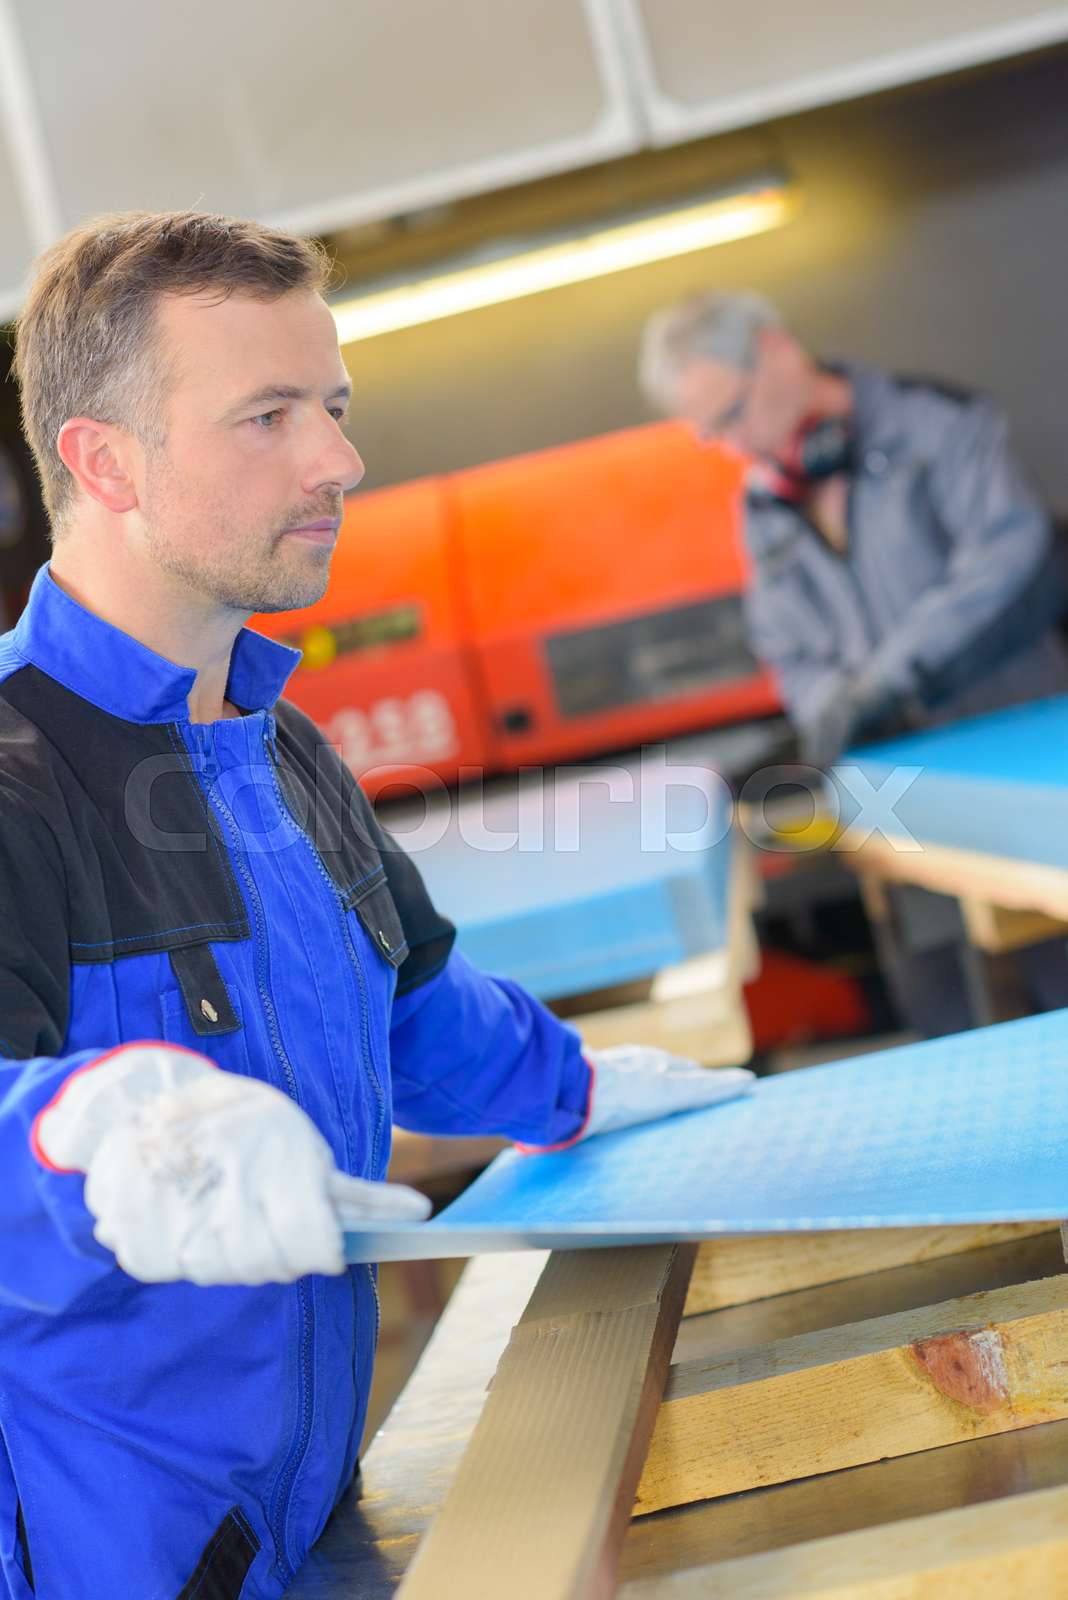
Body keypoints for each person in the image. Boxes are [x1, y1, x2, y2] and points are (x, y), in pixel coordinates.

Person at [0, 211, 754, 1600]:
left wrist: (572, 1086)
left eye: (333, 409)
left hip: (305, 1531)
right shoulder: (16, 783)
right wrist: (89, 1140)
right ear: (104, 461)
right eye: (268, 417)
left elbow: (406, 998)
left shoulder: (277, 746)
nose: (339, 461)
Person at [639, 290, 1068, 1033]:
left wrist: (883, 683)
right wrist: (829, 705)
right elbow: (785, 646)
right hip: (895, 795)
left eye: (734, 414)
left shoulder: (938, 423)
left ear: (777, 351)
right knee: (945, 1011)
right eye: (713, 434)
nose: (736, 446)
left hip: (1023, 766)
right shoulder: (763, 503)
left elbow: (1008, 558)